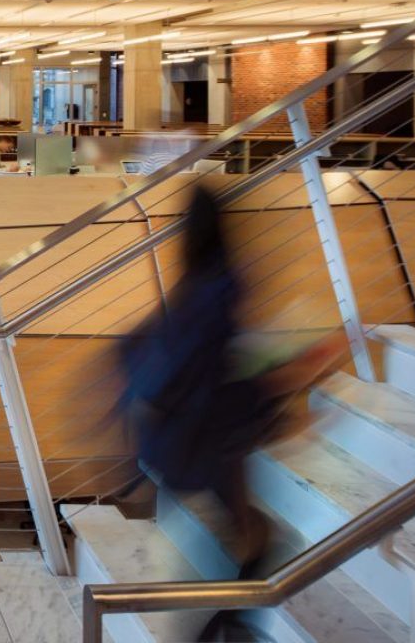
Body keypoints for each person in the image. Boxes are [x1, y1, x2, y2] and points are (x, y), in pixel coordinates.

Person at [120, 184, 269, 642]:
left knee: (242, 537)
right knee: (251, 536)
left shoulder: (189, 289)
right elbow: (217, 360)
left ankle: (226, 621)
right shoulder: (222, 286)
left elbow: (158, 355)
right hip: (209, 436)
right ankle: (229, 622)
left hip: (181, 439)